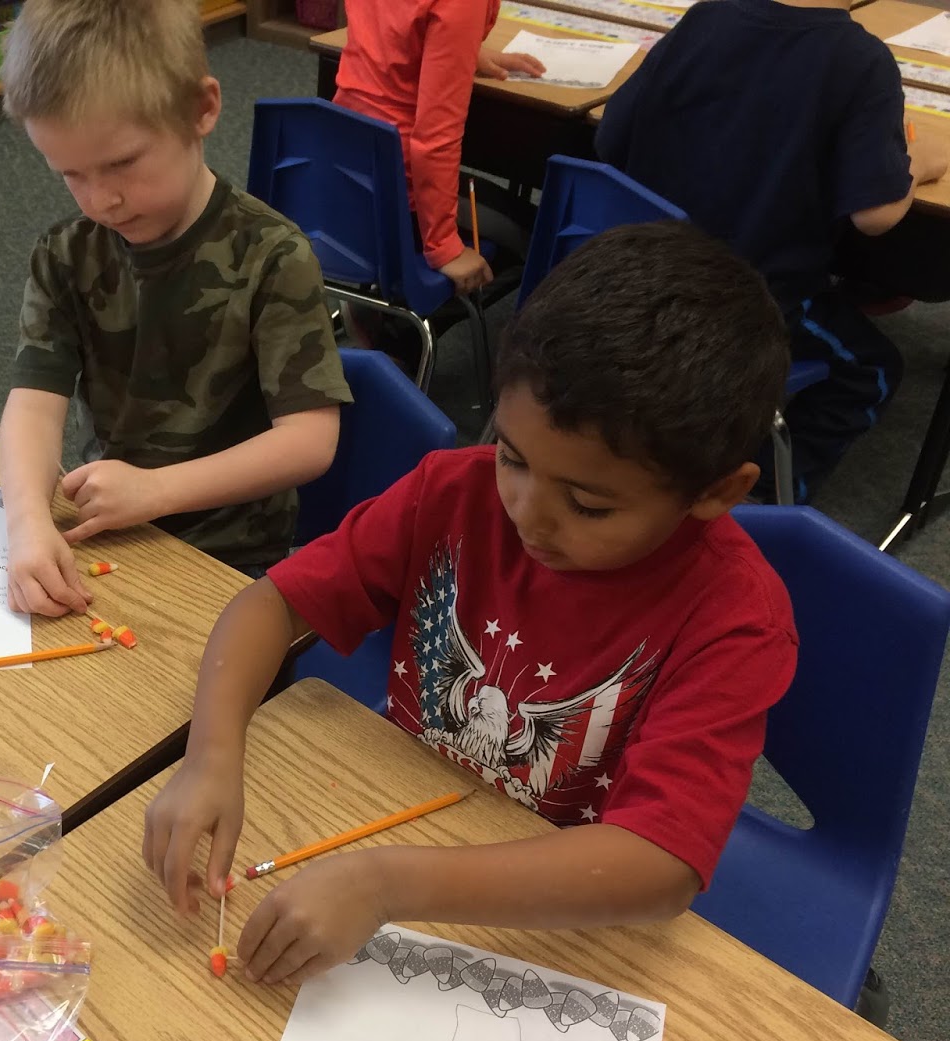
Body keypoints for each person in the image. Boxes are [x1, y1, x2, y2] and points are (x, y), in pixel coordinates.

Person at [142, 223, 799, 985]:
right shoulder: (453, 491)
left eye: (588, 506)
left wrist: (389, 884)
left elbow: (659, 867)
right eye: (513, 458)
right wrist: (211, 756)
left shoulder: (735, 617)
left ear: (718, 492)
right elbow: (271, 606)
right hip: (403, 802)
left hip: (553, 896)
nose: (527, 513)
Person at [0, 0, 350, 615]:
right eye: (69, 174)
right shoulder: (64, 253)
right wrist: (27, 520)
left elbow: (310, 442)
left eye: (123, 163)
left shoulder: (272, 255)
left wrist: (156, 490)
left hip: (234, 555)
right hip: (115, 524)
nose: (102, 200)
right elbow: (33, 403)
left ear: (201, 109)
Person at [595, 0, 950, 500]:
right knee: (872, 370)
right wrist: (918, 166)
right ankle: (760, 500)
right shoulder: (859, 59)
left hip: (637, 273)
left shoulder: (706, 16)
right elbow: (875, 216)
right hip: (749, 298)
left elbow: (611, 136)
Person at [333, 0, 546, 292]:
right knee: (547, 239)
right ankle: (400, 324)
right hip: (403, 196)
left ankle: (378, 308)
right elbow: (434, 139)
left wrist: (458, 47)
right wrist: (444, 246)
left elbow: (390, 29)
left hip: (340, 167)